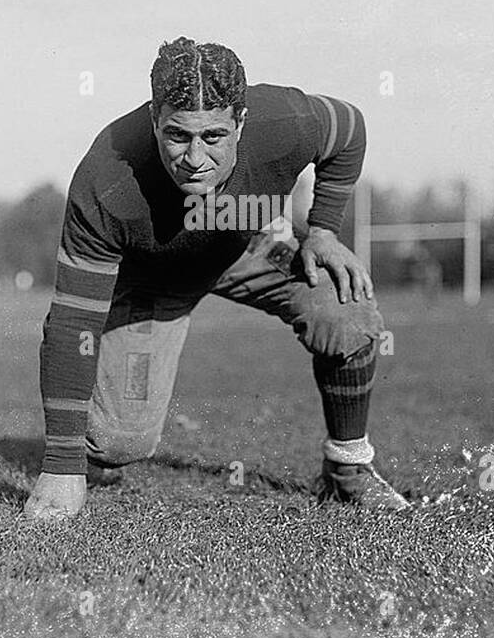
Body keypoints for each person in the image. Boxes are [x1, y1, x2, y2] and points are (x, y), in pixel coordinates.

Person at [24, 36, 409, 521]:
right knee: (120, 442)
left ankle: (348, 468)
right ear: (153, 120)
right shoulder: (107, 178)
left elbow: (350, 129)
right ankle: (88, 451)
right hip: (151, 281)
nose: (195, 158)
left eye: (213, 137)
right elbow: (69, 323)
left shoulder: (286, 121)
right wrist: (61, 466)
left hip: (243, 238)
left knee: (345, 308)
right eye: (178, 136)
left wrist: (325, 232)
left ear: (241, 123)